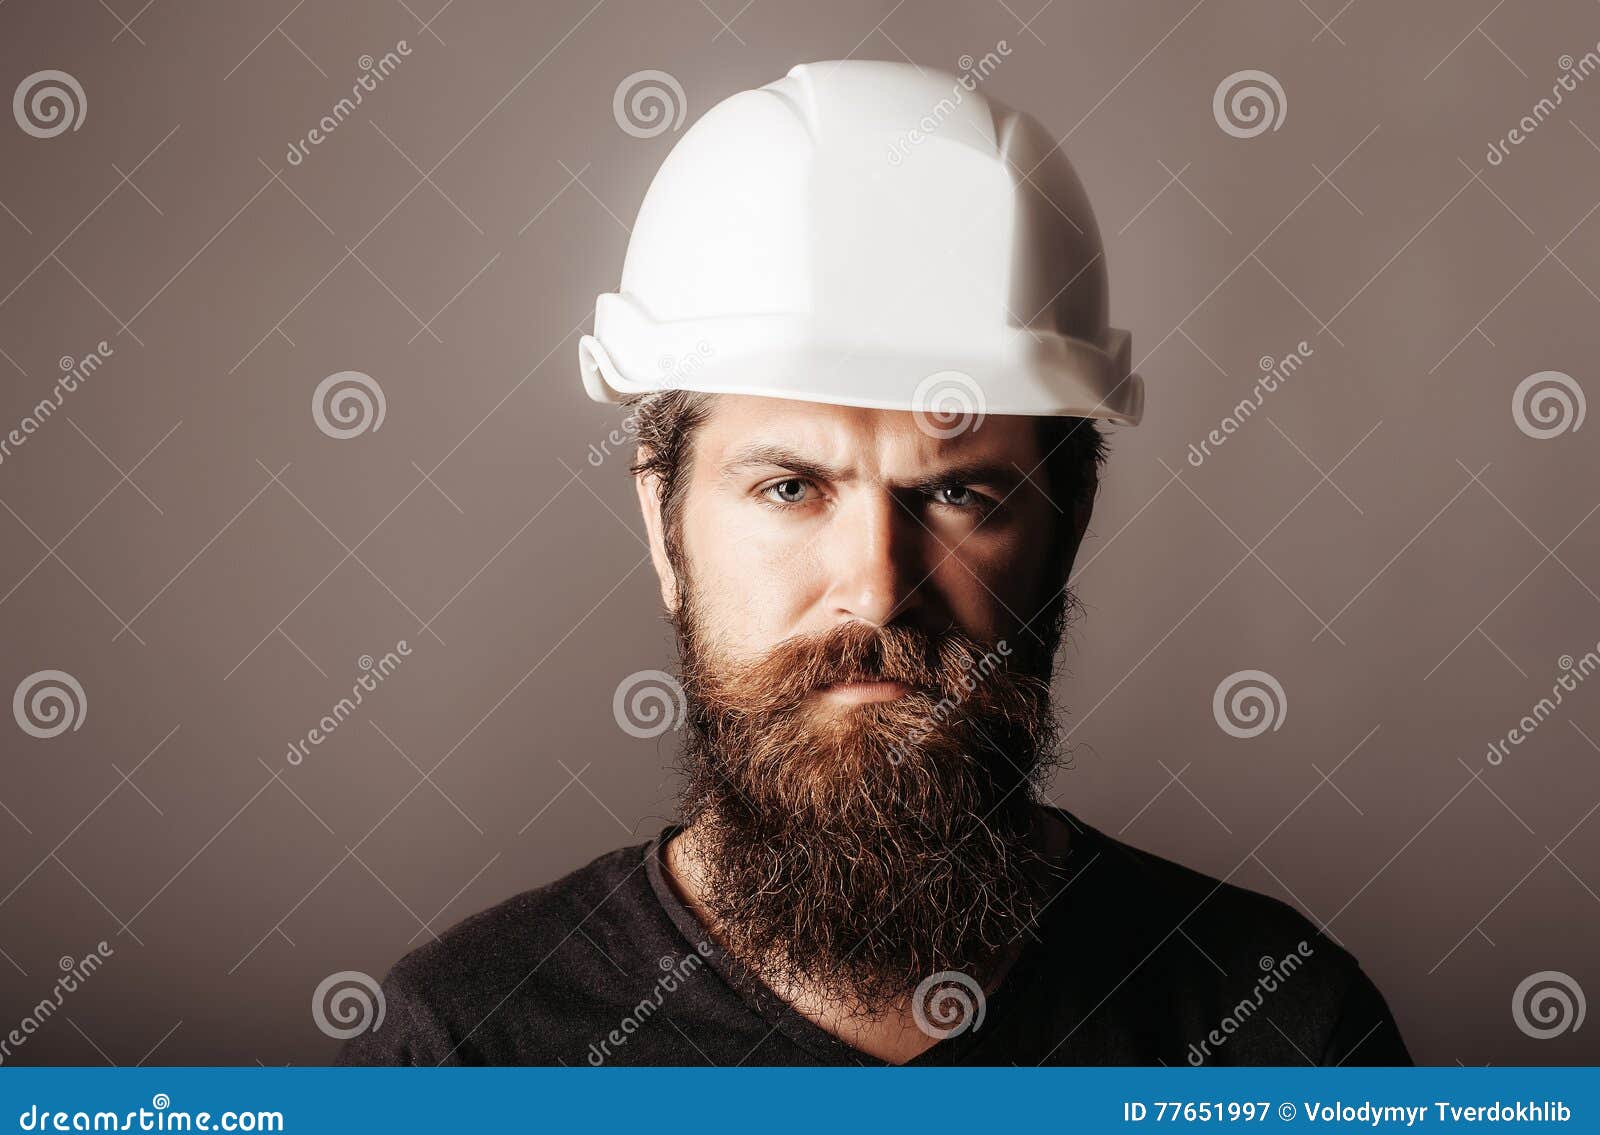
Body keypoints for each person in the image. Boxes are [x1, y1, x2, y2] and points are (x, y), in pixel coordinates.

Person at [339, 60, 1410, 1066]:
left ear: (1067, 520)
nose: (876, 584)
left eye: (955, 493)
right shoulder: (466, 1050)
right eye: (790, 488)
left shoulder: (1278, 1027)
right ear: (663, 529)